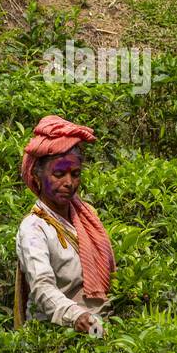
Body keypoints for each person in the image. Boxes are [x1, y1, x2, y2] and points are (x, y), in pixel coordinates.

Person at [14, 115, 116, 335]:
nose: (69, 183)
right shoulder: (34, 228)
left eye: (75, 174)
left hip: (100, 325)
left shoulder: (86, 215)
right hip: (57, 333)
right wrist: (75, 315)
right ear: (37, 175)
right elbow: (42, 286)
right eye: (59, 174)